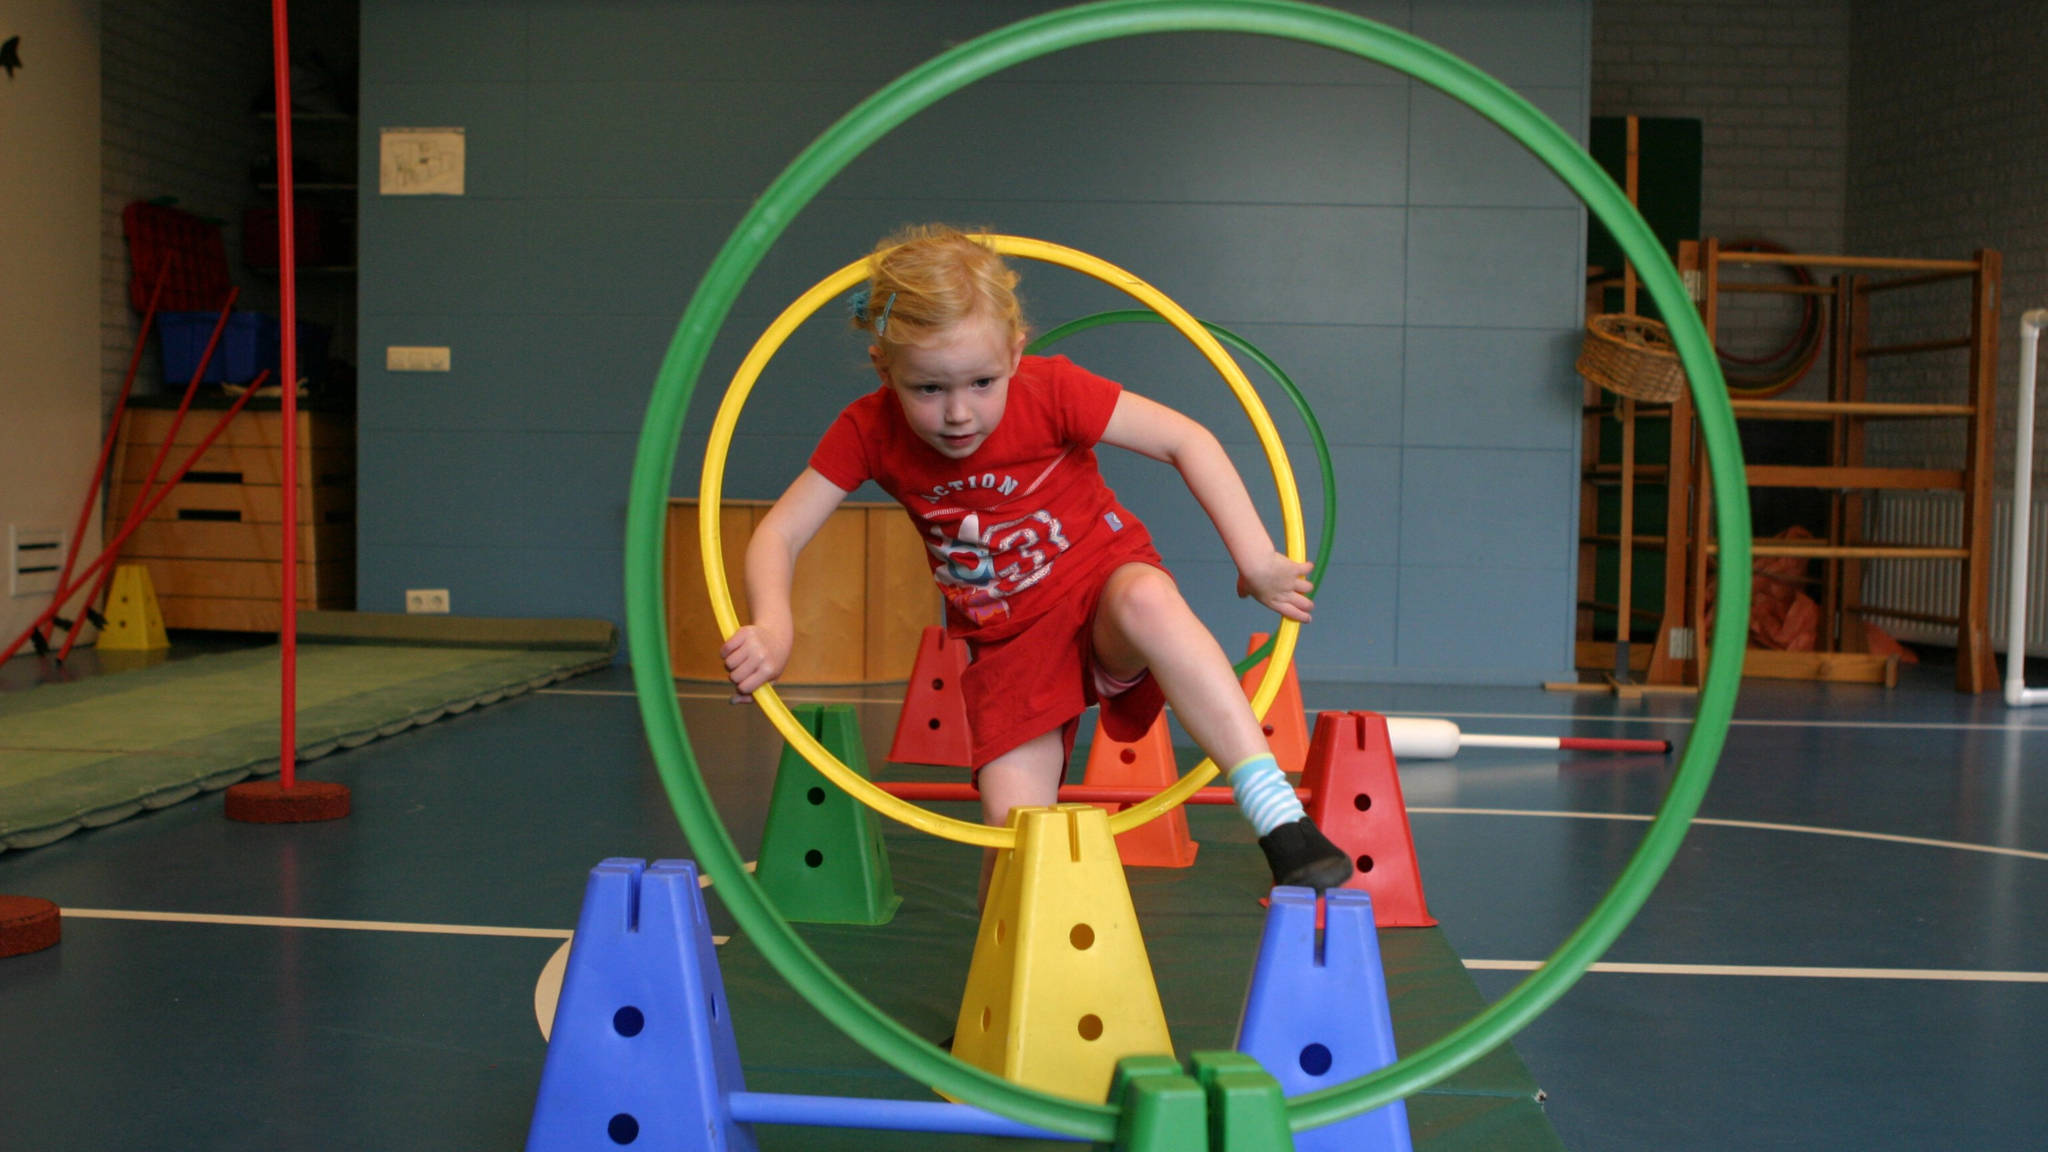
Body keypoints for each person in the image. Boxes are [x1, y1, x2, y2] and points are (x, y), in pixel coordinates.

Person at [721, 224, 1352, 898]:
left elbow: (1185, 440)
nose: (959, 413)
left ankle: (1277, 815)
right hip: (1010, 647)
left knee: (1147, 598)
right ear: (885, 370)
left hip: (1099, 590)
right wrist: (774, 625)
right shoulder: (868, 429)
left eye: (981, 382)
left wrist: (1255, 559)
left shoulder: (1052, 390)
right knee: (1014, 842)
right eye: (929, 389)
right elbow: (780, 532)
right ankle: (1013, 954)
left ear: (1016, 353)